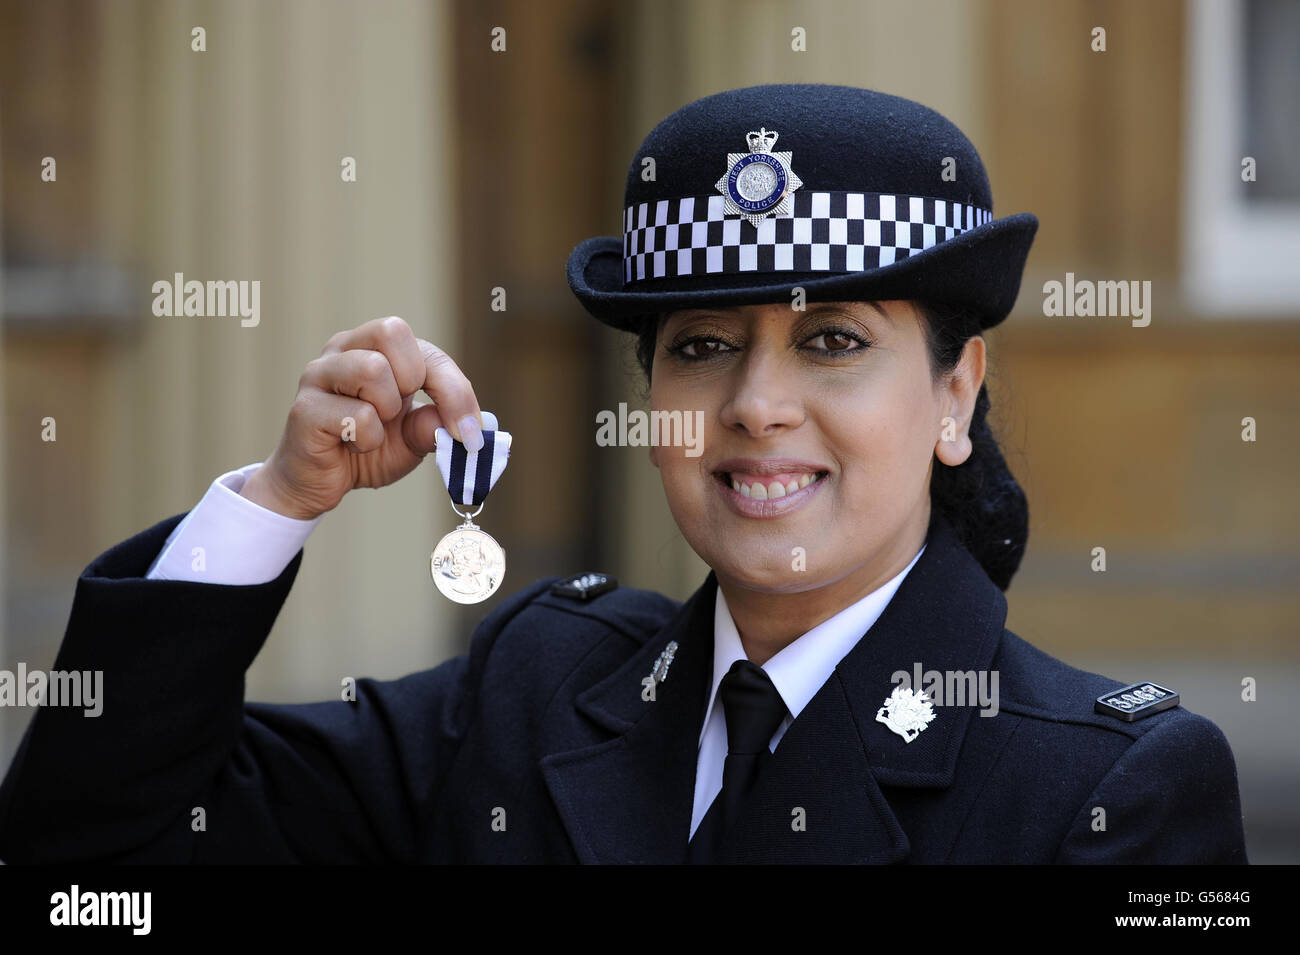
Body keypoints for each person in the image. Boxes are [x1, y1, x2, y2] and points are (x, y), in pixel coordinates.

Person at [0, 84, 1247, 864]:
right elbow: (93, 855)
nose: (756, 408)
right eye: (701, 348)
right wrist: (276, 506)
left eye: (832, 342)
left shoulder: (1107, 787)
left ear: (954, 393)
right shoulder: (534, 692)